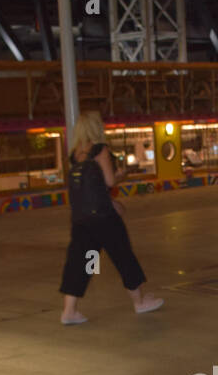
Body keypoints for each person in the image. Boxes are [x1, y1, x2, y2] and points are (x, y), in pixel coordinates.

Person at [59, 111, 162, 325]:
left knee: (82, 262)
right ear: (97, 127)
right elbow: (109, 181)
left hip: (81, 219)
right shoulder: (100, 150)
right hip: (104, 219)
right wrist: (121, 175)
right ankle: (139, 301)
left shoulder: (75, 154)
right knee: (122, 256)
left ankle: (69, 310)